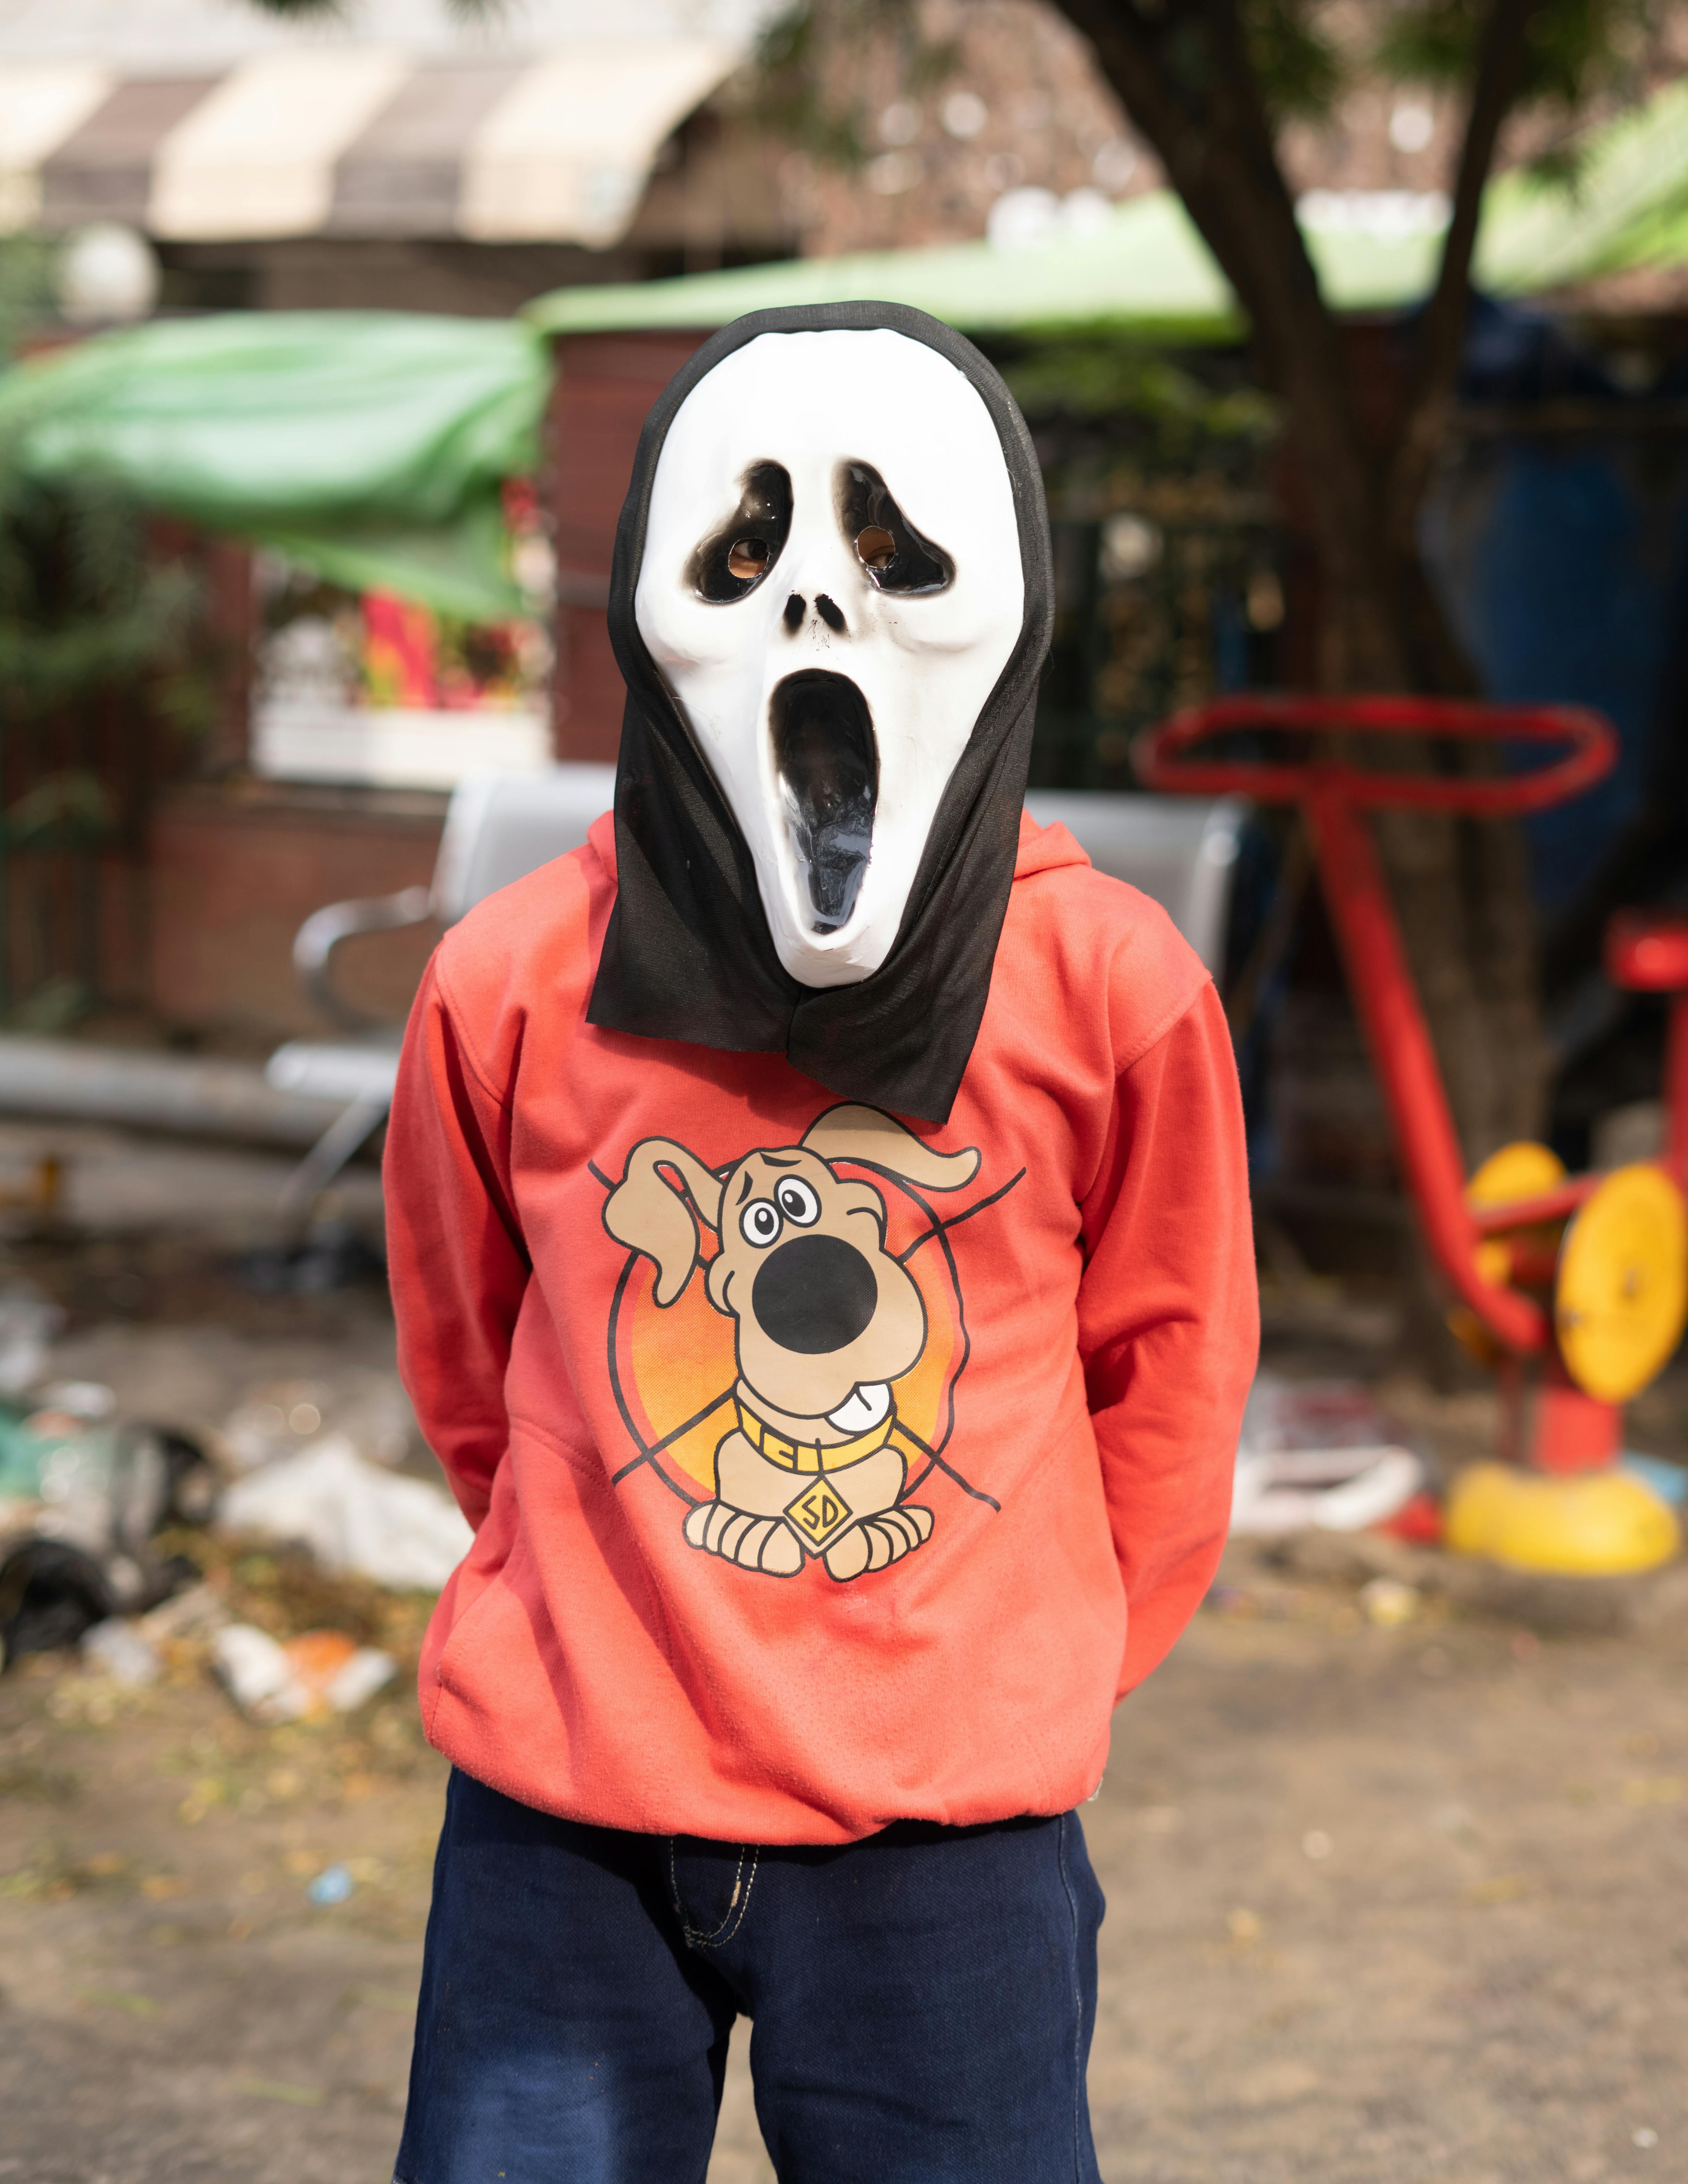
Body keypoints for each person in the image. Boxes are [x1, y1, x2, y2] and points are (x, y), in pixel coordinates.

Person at [386, 302, 1257, 2184]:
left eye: (890, 548)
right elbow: (468, 1356)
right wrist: (584, 1594)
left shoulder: (1110, 985)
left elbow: (1173, 1376)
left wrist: (1019, 1665)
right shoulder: (512, 976)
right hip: (567, 1819)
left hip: (945, 1838)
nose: (811, 608)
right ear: (649, 595)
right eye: (741, 548)